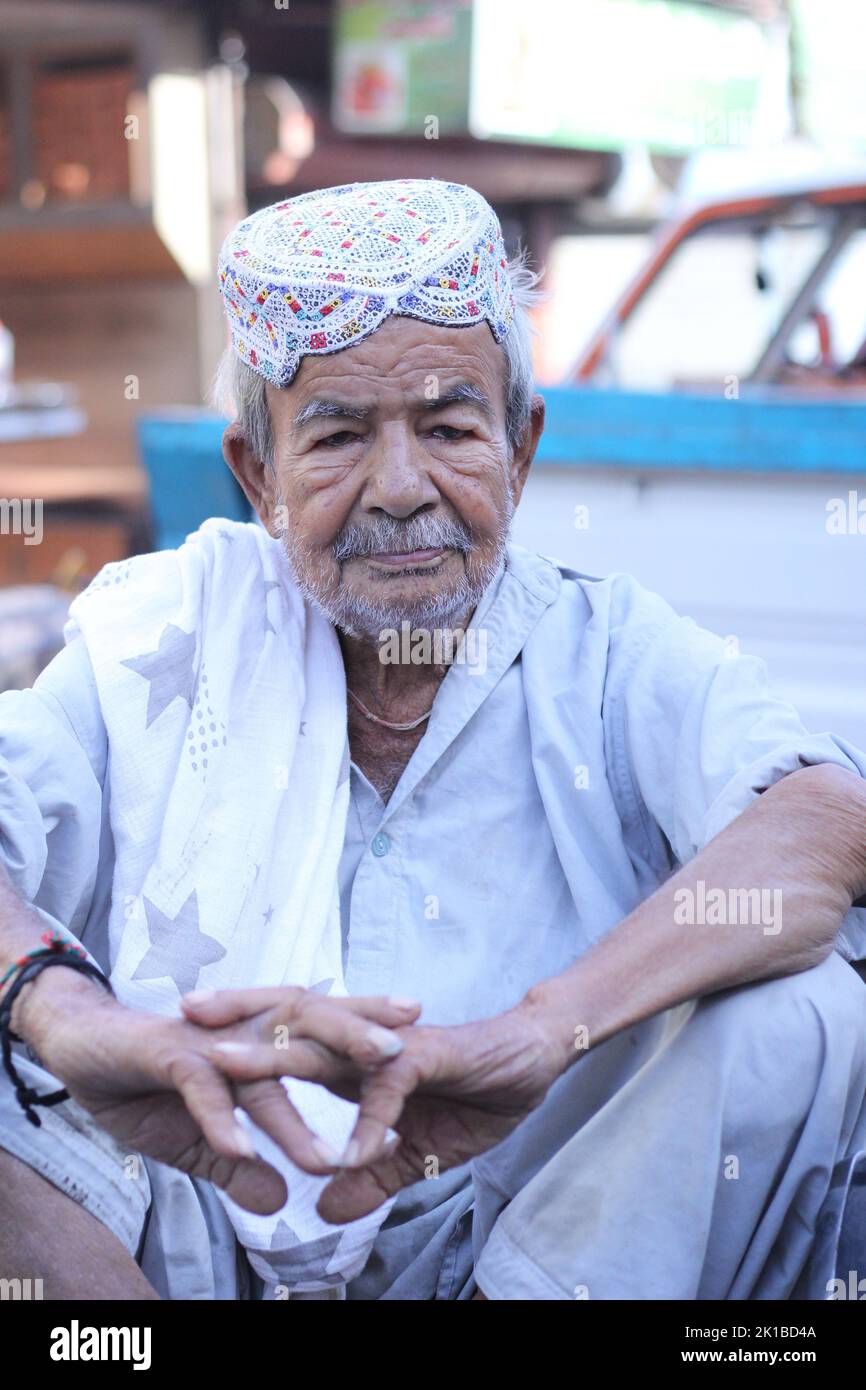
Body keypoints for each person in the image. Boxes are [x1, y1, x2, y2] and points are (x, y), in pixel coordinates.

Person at [1, 179, 865, 1301]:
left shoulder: (606, 652)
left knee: (805, 1009)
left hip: (527, 1242)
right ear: (256, 475)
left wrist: (536, 1033)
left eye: (449, 427)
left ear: (521, 448)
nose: (400, 488)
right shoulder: (163, 638)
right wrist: (63, 1011)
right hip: (183, 1249)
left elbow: (818, 824)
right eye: (339, 435)